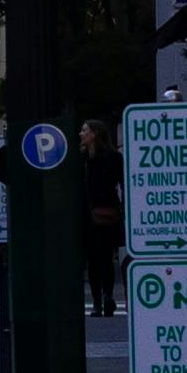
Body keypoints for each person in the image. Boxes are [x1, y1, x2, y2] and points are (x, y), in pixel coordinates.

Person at [81, 125, 127, 322]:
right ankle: (104, 298)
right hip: (105, 212)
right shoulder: (111, 156)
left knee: (96, 260)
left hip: (95, 213)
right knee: (104, 258)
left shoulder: (88, 158)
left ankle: (100, 300)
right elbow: (123, 183)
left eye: (85, 130)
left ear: (95, 133)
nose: (81, 134)